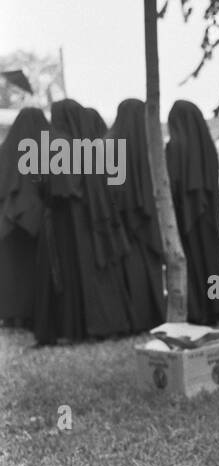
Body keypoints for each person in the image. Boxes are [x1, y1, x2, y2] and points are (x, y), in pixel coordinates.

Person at [33, 98, 132, 345]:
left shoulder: (57, 144)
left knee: (72, 273)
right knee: (94, 272)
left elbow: (51, 187)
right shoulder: (89, 148)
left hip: (66, 221)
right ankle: (104, 324)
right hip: (91, 222)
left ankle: (77, 327)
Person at [165, 98, 219, 325]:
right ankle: (216, 305)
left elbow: (171, 183)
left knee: (193, 266)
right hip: (209, 217)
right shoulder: (207, 147)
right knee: (212, 265)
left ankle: (198, 309)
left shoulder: (173, 148)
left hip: (186, 218)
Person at [107, 98, 165, 332]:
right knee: (148, 270)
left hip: (119, 224)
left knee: (128, 272)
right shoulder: (151, 148)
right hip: (147, 222)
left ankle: (133, 319)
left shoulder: (108, 146)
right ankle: (154, 315)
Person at [0, 106, 47, 328]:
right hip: (37, 223)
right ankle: (31, 313)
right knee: (32, 272)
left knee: (10, 271)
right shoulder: (46, 152)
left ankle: (10, 314)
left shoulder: (5, 150)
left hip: (7, 224)